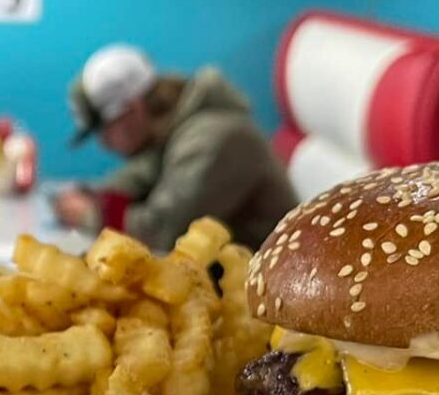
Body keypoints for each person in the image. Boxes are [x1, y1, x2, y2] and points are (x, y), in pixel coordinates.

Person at [53, 44, 297, 252]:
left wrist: (87, 215)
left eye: (104, 130)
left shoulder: (211, 138)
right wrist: (94, 196)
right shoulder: (172, 128)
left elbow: (162, 232)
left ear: (132, 109)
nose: (103, 143)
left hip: (257, 289)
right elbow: (140, 175)